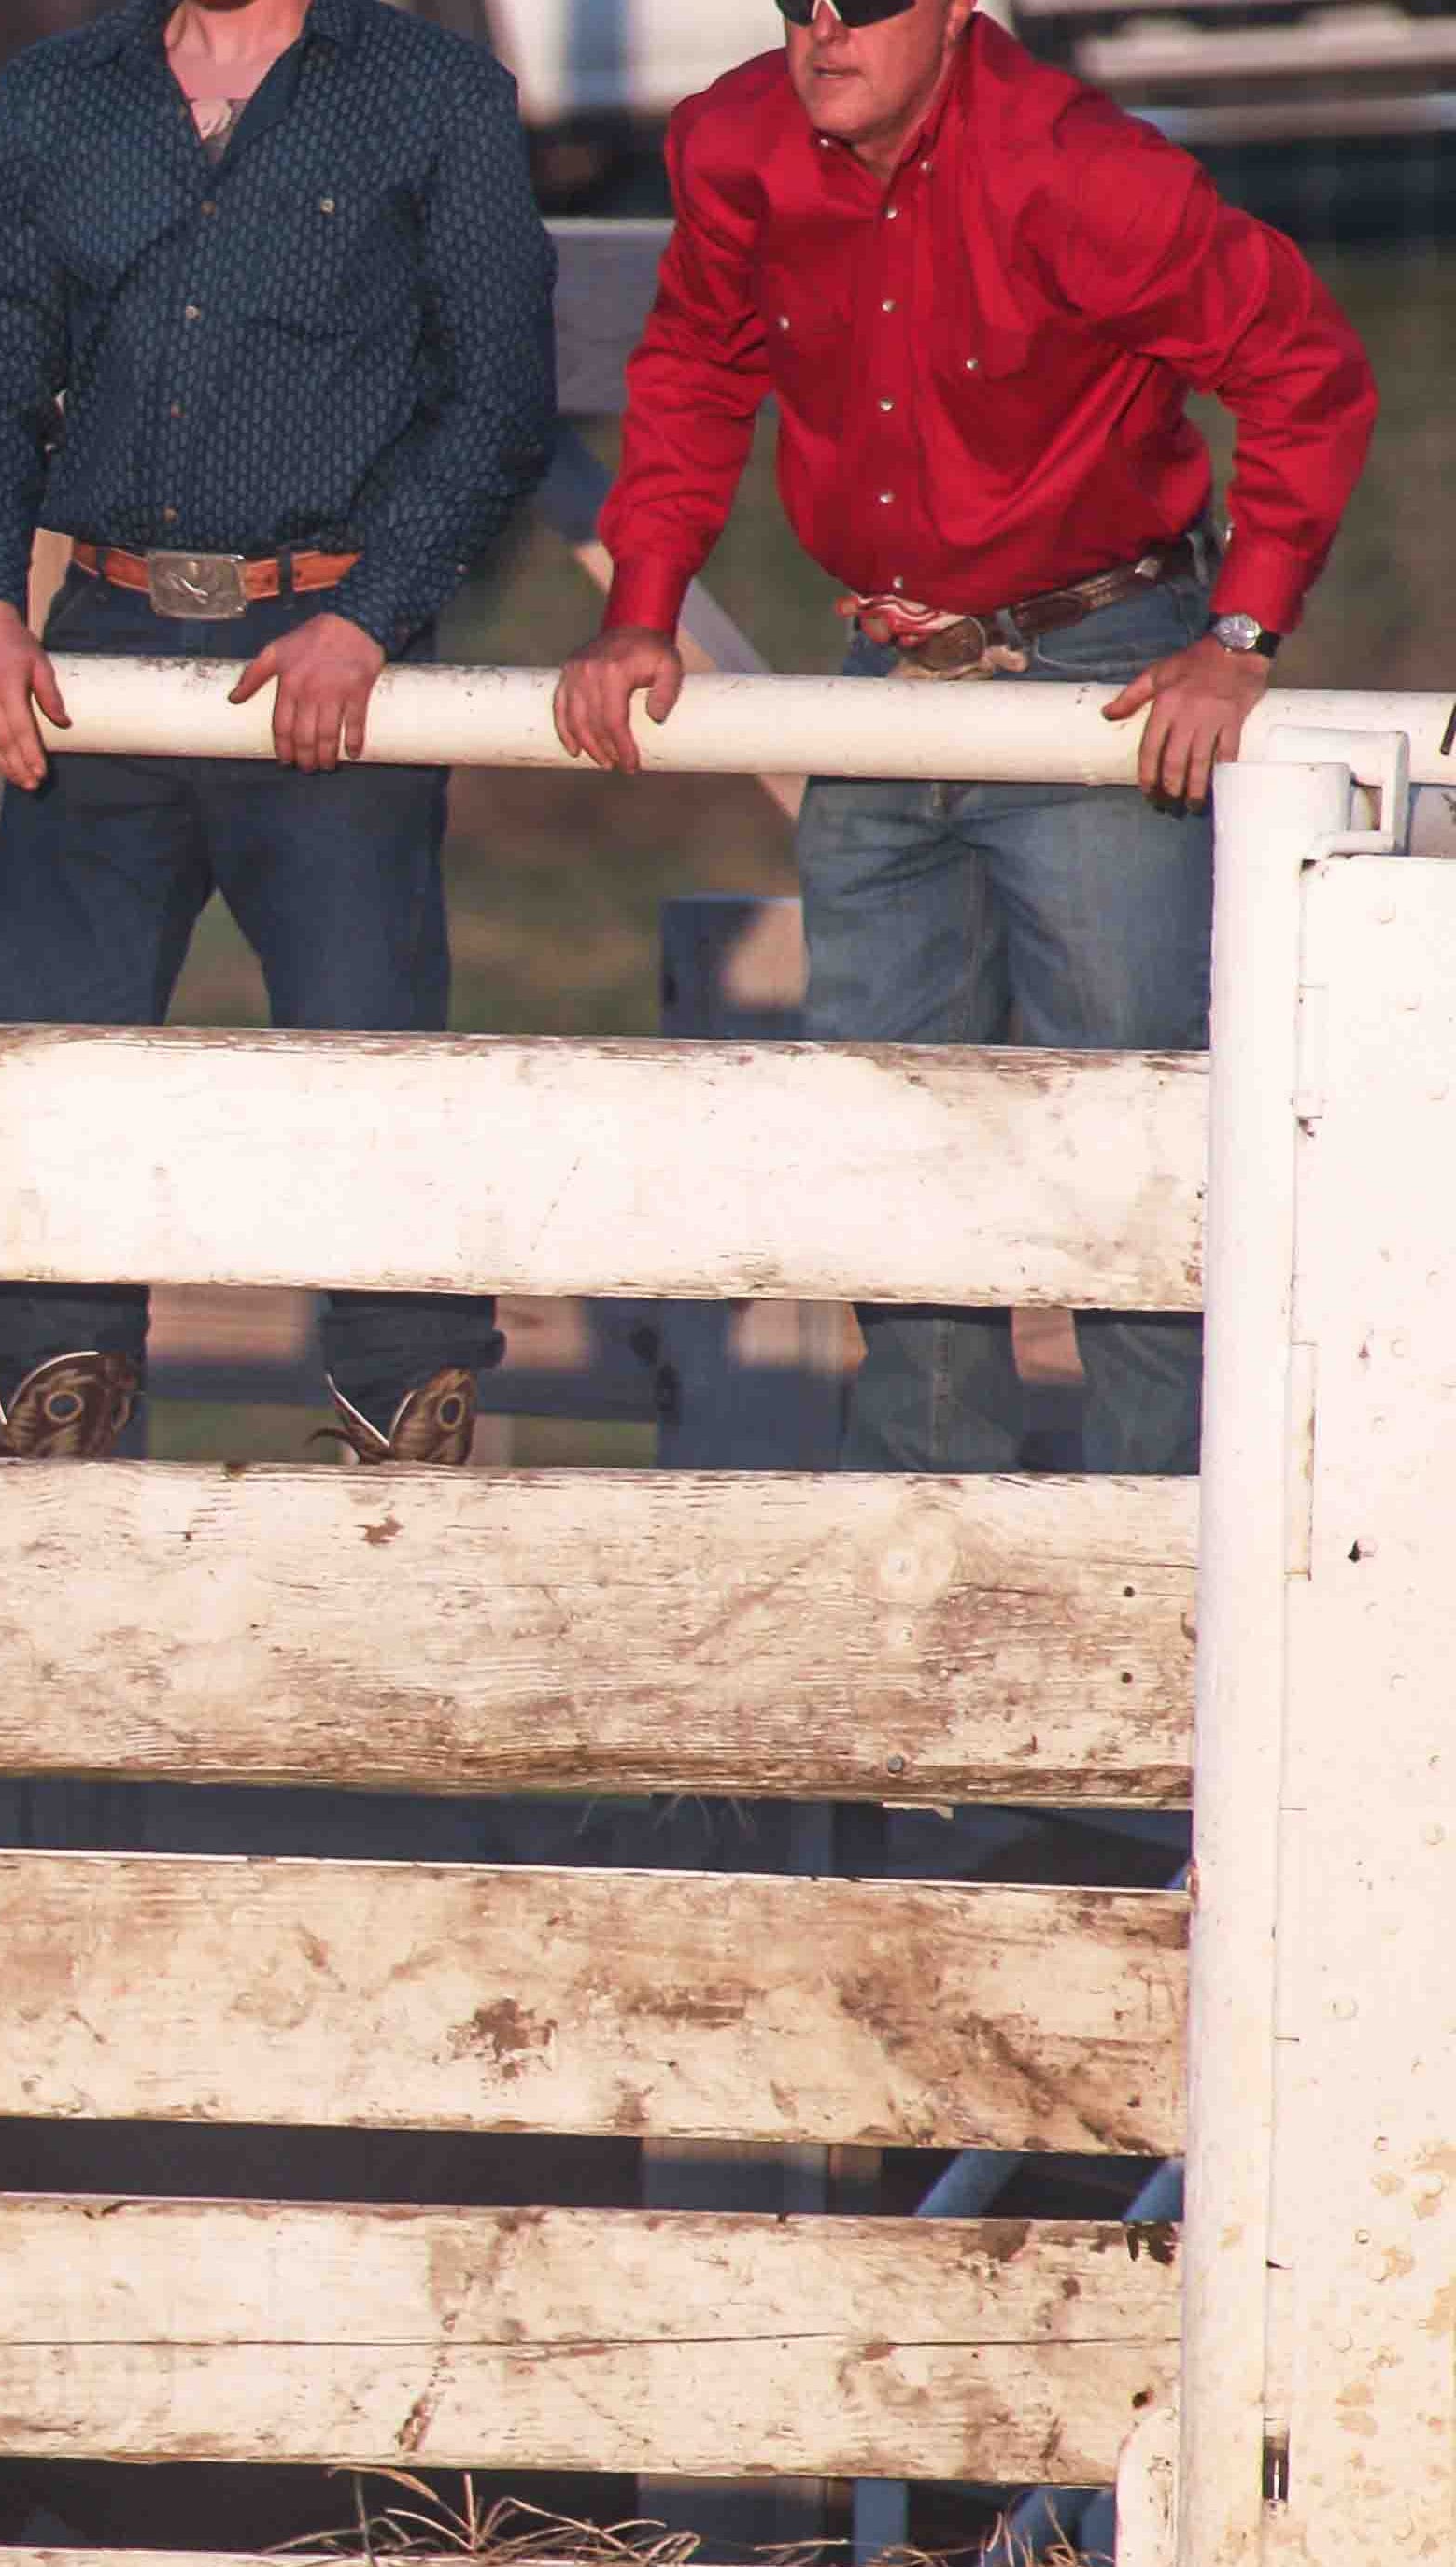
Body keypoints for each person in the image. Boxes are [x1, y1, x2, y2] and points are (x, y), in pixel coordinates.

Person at [556, 0, 1373, 1478]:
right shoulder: (734, 142)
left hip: (1104, 675)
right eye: (794, 1)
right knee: (894, 1141)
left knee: (1133, 1146)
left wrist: (1240, 637)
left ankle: (1167, 1572)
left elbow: (1306, 371)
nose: (821, 32)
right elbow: (691, 368)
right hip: (882, 671)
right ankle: (924, 1575)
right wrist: (644, 603)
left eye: (859, 6)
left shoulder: (1082, 171)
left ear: (949, 11)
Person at [0, 0, 553, 1464]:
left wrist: (373, 614)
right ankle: (54, 1409)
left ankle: (403, 1427)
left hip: (330, 644)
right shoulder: (56, 95)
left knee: (368, 1047)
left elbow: (498, 398)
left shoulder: (432, 93)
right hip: (104, 638)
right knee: (49, 1045)